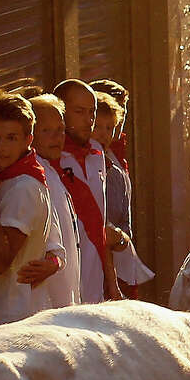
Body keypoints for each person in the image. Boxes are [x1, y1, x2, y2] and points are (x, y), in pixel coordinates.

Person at [0, 94, 65, 326]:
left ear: (28, 140)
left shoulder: (23, 187)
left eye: (11, 138)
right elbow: (55, 243)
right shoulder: (20, 176)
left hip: (11, 318)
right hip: (19, 314)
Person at [52, 79, 120, 303]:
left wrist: (112, 284)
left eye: (92, 112)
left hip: (95, 284)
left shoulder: (98, 153)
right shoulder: (49, 158)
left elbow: (98, 227)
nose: (88, 120)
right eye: (79, 111)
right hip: (62, 286)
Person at [91, 92, 153, 296]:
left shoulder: (116, 173)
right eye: (97, 127)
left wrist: (120, 238)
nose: (103, 134)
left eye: (109, 128)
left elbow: (125, 224)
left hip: (119, 268)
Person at [28, 94, 82, 308]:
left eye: (60, 130)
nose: (56, 137)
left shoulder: (50, 170)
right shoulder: (34, 175)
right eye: (46, 131)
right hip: (47, 301)